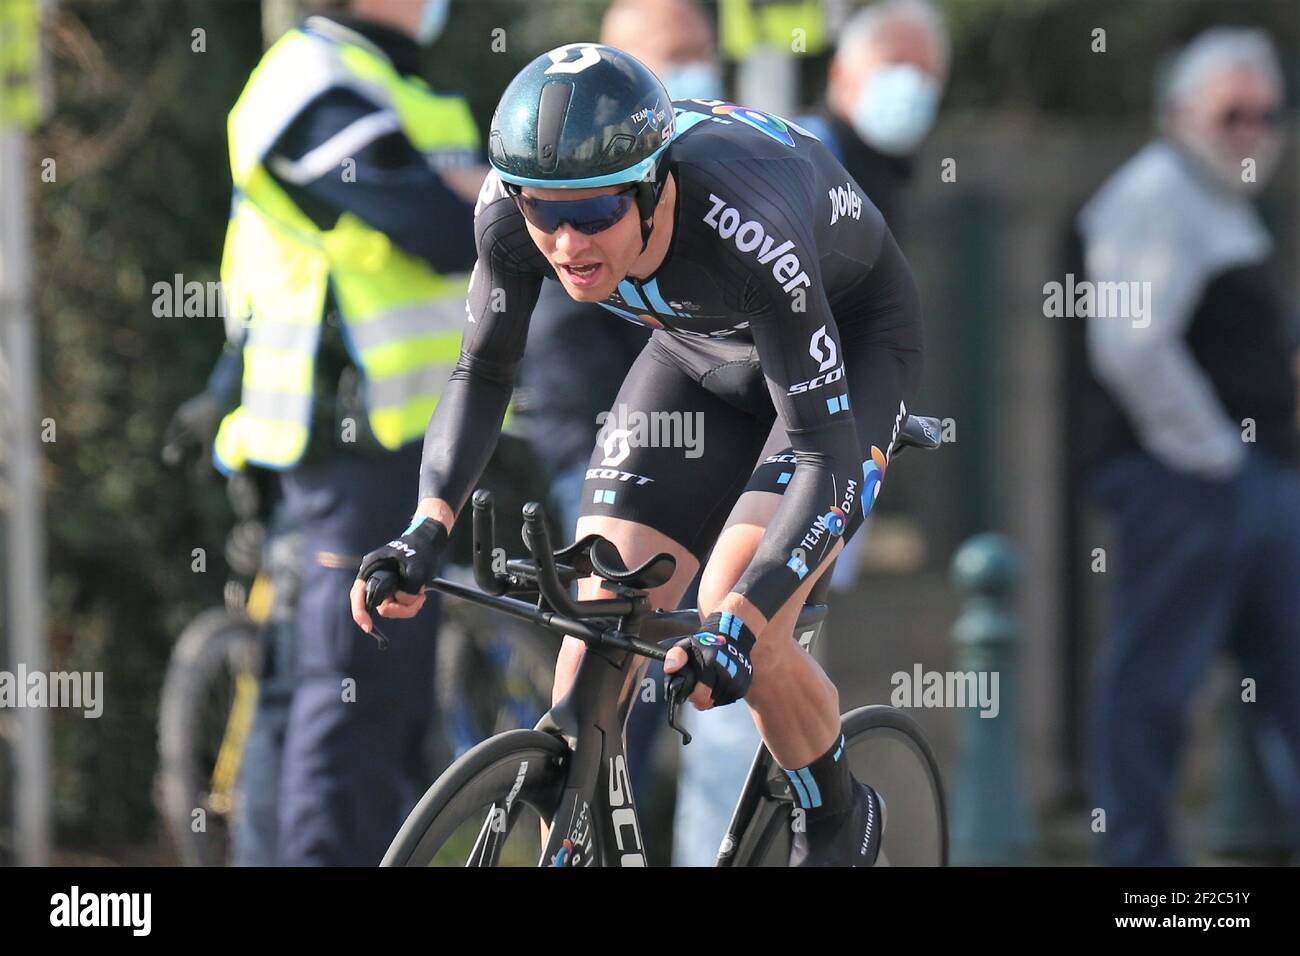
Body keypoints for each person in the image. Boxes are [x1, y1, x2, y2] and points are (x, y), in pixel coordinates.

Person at [352, 43, 924, 866]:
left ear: (656, 186)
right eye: (543, 213)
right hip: (698, 349)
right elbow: (483, 369)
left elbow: (822, 456)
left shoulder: (744, 222)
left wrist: (742, 620)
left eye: (593, 215)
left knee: (738, 605)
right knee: (594, 637)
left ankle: (836, 810)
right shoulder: (511, 215)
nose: (564, 240)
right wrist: (424, 527)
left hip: (849, 345)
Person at [202, 0, 484, 865]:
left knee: (315, 694)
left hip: (399, 441)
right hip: (348, 443)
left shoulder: (394, 81)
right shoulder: (308, 80)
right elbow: (438, 223)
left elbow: (457, 209)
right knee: (352, 695)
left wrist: (464, 193)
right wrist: (466, 194)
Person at [1070, 27, 1300, 866]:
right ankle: (1139, 869)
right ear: (1178, 114)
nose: (1252, 129)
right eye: (1232, 112)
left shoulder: (1220, 199)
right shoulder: (1157, 195)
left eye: (1265, 113)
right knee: (1156, 685)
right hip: (1186, 485)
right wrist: (1215, 458)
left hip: (1243, 481)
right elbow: (1130, 346)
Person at [796, 0, 947, 593]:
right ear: (842, 75)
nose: (910, 84)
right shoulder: (808, 156)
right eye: (894, 64)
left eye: (924, 71)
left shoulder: (886, 169)